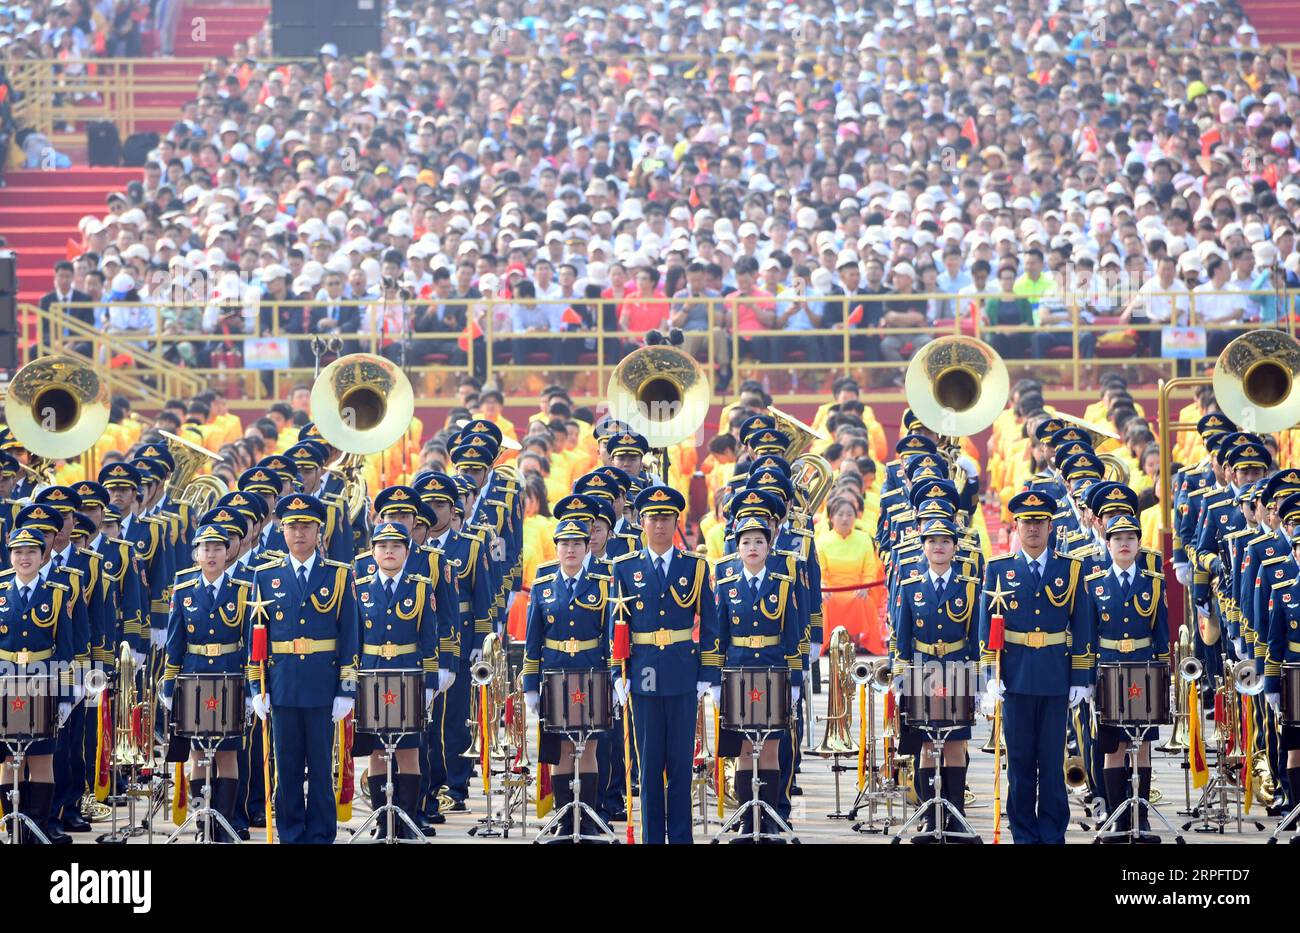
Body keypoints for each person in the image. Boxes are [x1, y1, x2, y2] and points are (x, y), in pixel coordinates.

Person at [979, 490, 1094, 845]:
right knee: (1020, 764)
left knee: (1052, 763)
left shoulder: (1070, 568)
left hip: (1056, 677)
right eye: (1026, 522)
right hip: (1014, 677)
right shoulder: (998, 570)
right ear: (1016, 525)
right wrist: (990, 677)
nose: (1032, 529)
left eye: (1039, 522)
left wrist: (1081, 677)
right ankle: (1024, 833)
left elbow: (1083, 624)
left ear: (1050, 526)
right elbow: (988, 628)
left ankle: (1052, 831)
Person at [247, 494, 359, 845]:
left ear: (318, 530)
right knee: (288, 767)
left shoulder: (338, 576)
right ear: (281, 531)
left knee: (322, 768)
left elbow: (351, 636)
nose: (299, 533)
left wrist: (346, 688)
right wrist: (255, 689)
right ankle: (292, 832)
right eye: (292, 526)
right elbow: (256, 639)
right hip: (281, 686)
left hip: (322, 684)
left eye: (306, 526)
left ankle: (321, 833)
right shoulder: (266, 576)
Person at [607, 485, 715, 844]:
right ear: (641, 522)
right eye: (652, 519)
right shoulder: (625, 568)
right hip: (643, 671)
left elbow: (710, 622)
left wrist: (708, 673)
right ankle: (654, 837)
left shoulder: (694, 566)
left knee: (682, 763)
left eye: (666, 519)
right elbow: (616, 625)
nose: (659, 526)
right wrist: (615, 672)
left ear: (676, 522)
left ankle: (681, 837)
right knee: (649, 765)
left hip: (683, 672)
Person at [351, 521, 451, 839]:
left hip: (408, 675)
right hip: (372, 676)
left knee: (408, 751)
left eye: (396, 547)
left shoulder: (420, 587)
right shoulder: (360, 587)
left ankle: (406, 820)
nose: (389, 552)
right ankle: (383, 820)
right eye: (383, 546)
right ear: (373, 552)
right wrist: (350, 683)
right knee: (378, 752)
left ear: (407, 552)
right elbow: (352, 639)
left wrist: (430, 683)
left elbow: (429, 638)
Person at [705, 514, 803, 840]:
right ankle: (748, 817)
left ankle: (770, 816)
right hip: (739, 671)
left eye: (758, 541)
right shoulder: (728, 586)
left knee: (772, 748)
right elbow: (719, 635)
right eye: (745, 542)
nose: (752, 547)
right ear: (737, 547)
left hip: (773, 670)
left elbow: (792, 636)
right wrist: (717, 679)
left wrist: (797, 681)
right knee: (746, 748)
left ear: (768, 545)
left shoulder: (782, 584)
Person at [159, 520, 250, 842]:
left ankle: (224, 823)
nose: (211, 554)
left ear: (228, 553)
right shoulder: (183, 591)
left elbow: (250, 643)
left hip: (230, 676)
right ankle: (203, 822)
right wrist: (169, 687)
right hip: (194, 677)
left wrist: (251, 690)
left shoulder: (243, 590)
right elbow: (174, 644)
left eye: (217, 548)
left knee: (227, 754)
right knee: (198, 754)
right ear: (195, 554)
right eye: (205, 548)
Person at [522, 518, 611, 835]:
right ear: (556, 548)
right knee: (561, 748)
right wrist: (530, 684)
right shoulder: (543, 586)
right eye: (565, 544)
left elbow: (610, 636)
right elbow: (533, 640)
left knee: (587, 747)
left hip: (591, 673)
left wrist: (613, 679)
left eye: (577, 544)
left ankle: (586, 817)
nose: (570, 549)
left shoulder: (602, 585)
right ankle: (563, 817)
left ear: (588, 549)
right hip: (555, 674)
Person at [893, 517, 978, 839]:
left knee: (955, 744)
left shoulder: (969, 586)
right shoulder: (911, 587)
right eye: (932, 542)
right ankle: (931, 813)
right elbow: (901, 639)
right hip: (922, 669)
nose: (938, 546)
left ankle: (955, 812)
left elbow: (975, 636)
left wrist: (978, 682)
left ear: (955, 548)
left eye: (945, 541)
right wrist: (902, 680)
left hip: (956, 668)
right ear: (924, 548)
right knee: (927, 746)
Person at [1087, 513, 1169, 840]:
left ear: (1138, 544)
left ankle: (1141, 816)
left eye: (1130, 539)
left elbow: (1161, 635)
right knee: (1114, 747)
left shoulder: (1153, 582)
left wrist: (1164, 677)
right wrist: (1088, 678)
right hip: (1108, 670)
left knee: (1143, 746)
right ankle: (1118, 817)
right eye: (1117, 538)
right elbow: (1088, 635)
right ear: (1107, 544)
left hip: (1143, 670)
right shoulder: (1094, 584)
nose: (1124, 543)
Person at [0, 525, 78, 844]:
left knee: (40, 758)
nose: (25, 558)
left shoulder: (57, 593)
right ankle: (13, 827)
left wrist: (63, 698)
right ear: (10, 556)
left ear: (43, 555)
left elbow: (66, 649)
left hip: (43, 682)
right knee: (8, 760)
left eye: (32, 552)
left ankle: (37, 827)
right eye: (18, 552)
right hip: (5, 684)